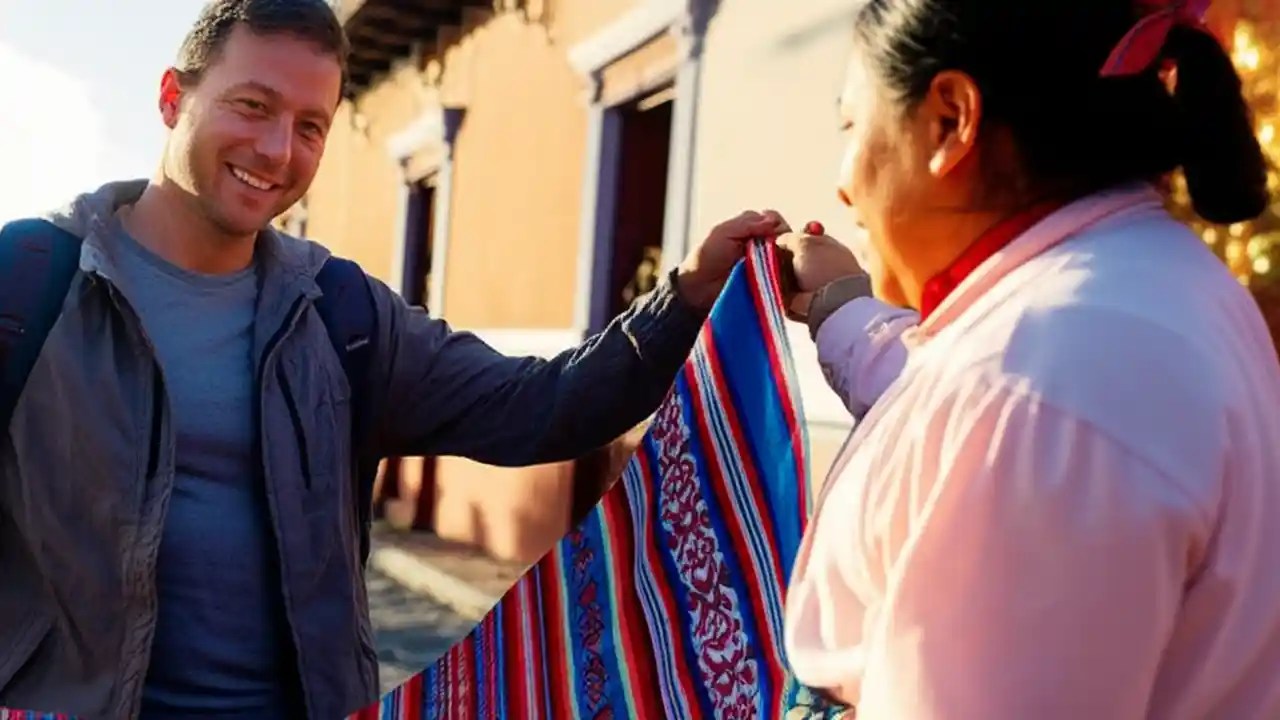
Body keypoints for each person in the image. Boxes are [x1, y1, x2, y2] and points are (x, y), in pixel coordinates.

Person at [0, 1, 792, 718]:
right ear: (174, 98)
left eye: (311, 126)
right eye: (252, 106)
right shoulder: (27, 284)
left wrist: (686, 294)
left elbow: (542, 407)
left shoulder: (342, 315)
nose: (277, 150)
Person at [775, 0, 1280, 717]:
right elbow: (938, 396)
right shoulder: (1139, 290)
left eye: (852, 124)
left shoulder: (1035, 390)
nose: (844, 181)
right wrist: (839, 307)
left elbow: (991, 410)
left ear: (950, 120)